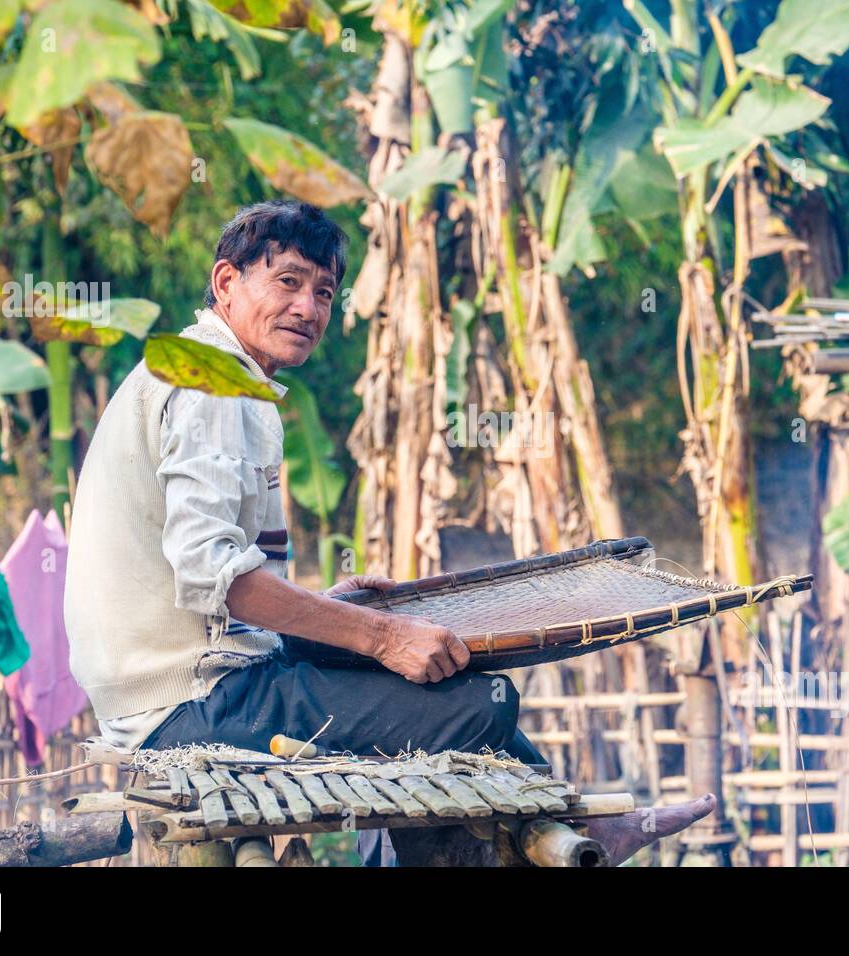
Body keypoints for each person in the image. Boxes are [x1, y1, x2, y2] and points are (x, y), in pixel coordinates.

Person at [64, 199, 713, 865]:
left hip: (192, 686)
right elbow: (215, 577)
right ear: (227, 283)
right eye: (287, 282)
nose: (308, 309)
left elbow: (210, 587)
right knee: (479, 706)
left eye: (323, 293)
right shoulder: (213, 384)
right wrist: (383, 634)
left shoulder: (210, 375)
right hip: (191, 707)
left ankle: (574, 819)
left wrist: (333, 606)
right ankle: (562, 824)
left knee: (455, 684)